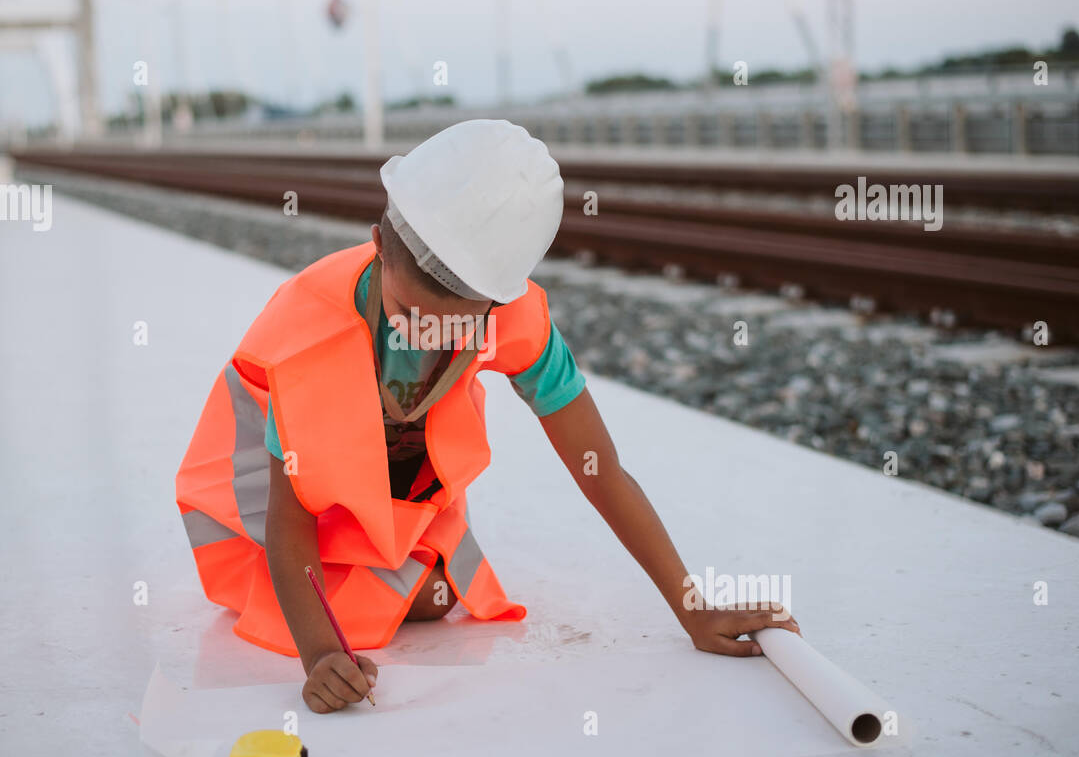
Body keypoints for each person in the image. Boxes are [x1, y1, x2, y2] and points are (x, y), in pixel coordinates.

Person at [175, 119, 800, 714]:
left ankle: (364, 558)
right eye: (405, 313)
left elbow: (599, 467)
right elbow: (288, 524)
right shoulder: (312, 337)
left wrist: (693, 607)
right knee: (331, 602)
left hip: (378, 473)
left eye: (452, 326)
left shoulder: (512, 318)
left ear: (495, 302)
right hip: (259, 495)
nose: (422, 338)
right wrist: (321, 657)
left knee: (429, 600)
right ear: (377, 246)